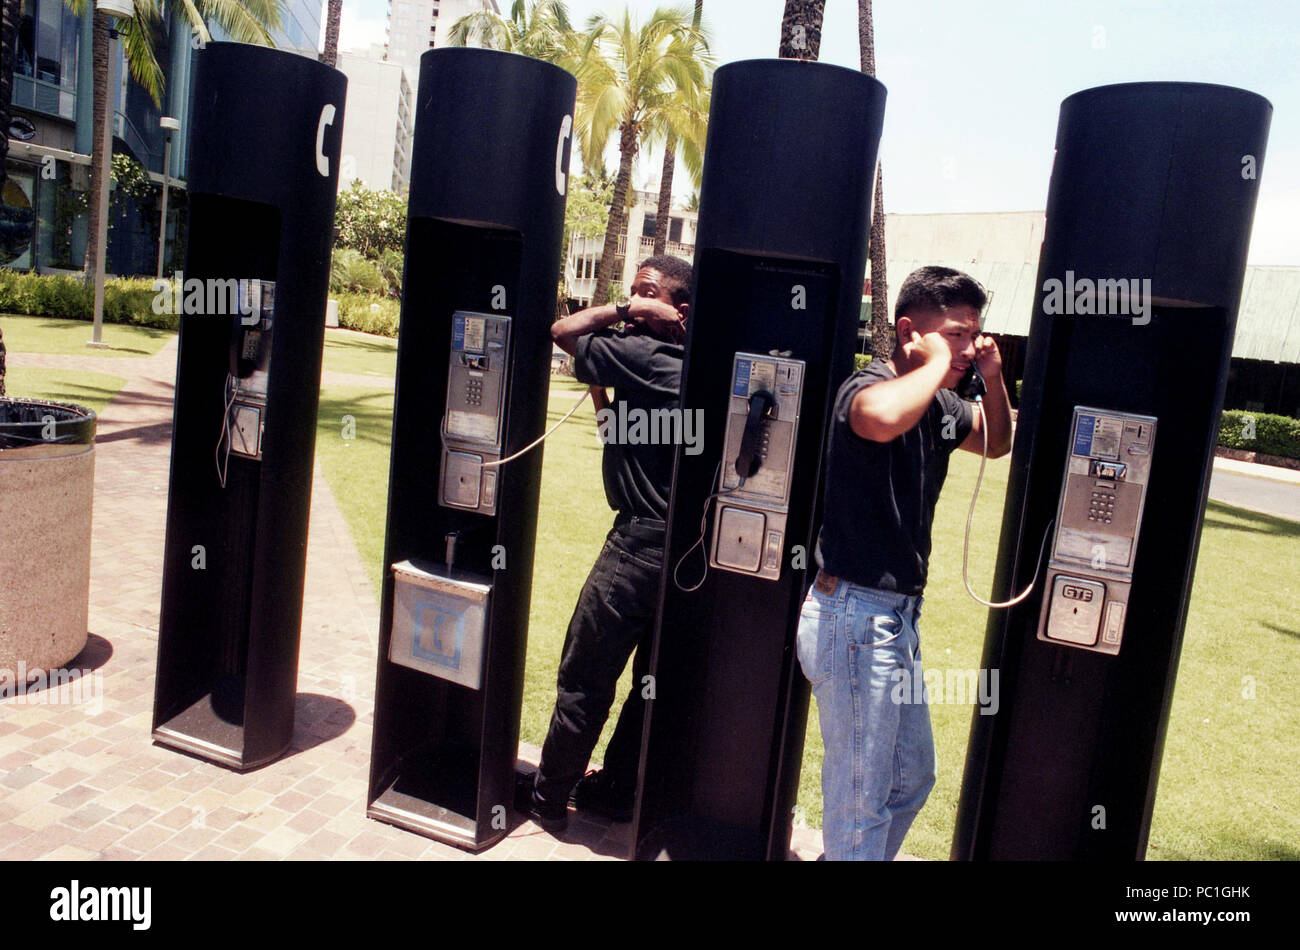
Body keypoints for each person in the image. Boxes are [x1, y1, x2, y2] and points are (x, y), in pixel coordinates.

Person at [796, 265, 1012, 861]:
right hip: (854, 617)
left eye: (974, 334)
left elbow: (997, 441)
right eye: (956, 335)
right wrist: (942, 363)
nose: (969, 347)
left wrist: (991, 379)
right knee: (861, 802)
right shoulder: (864, 388)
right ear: (908, 330)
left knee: (910, 778)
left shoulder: (938, 404)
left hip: (894, 618)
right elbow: (881, 418)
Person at [516, 255, 694, 833]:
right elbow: (624, 437)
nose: (635, 304)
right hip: (682, 556)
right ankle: (616, 791)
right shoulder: (687, 366)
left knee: (585, 676)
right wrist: (600, 397)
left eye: (648, 294)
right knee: (650, 684)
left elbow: (561, 331)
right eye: (633, 294)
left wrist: (626, 310)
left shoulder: (644, 351)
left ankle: (547, 800)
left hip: (636, 547)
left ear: (677, 309)